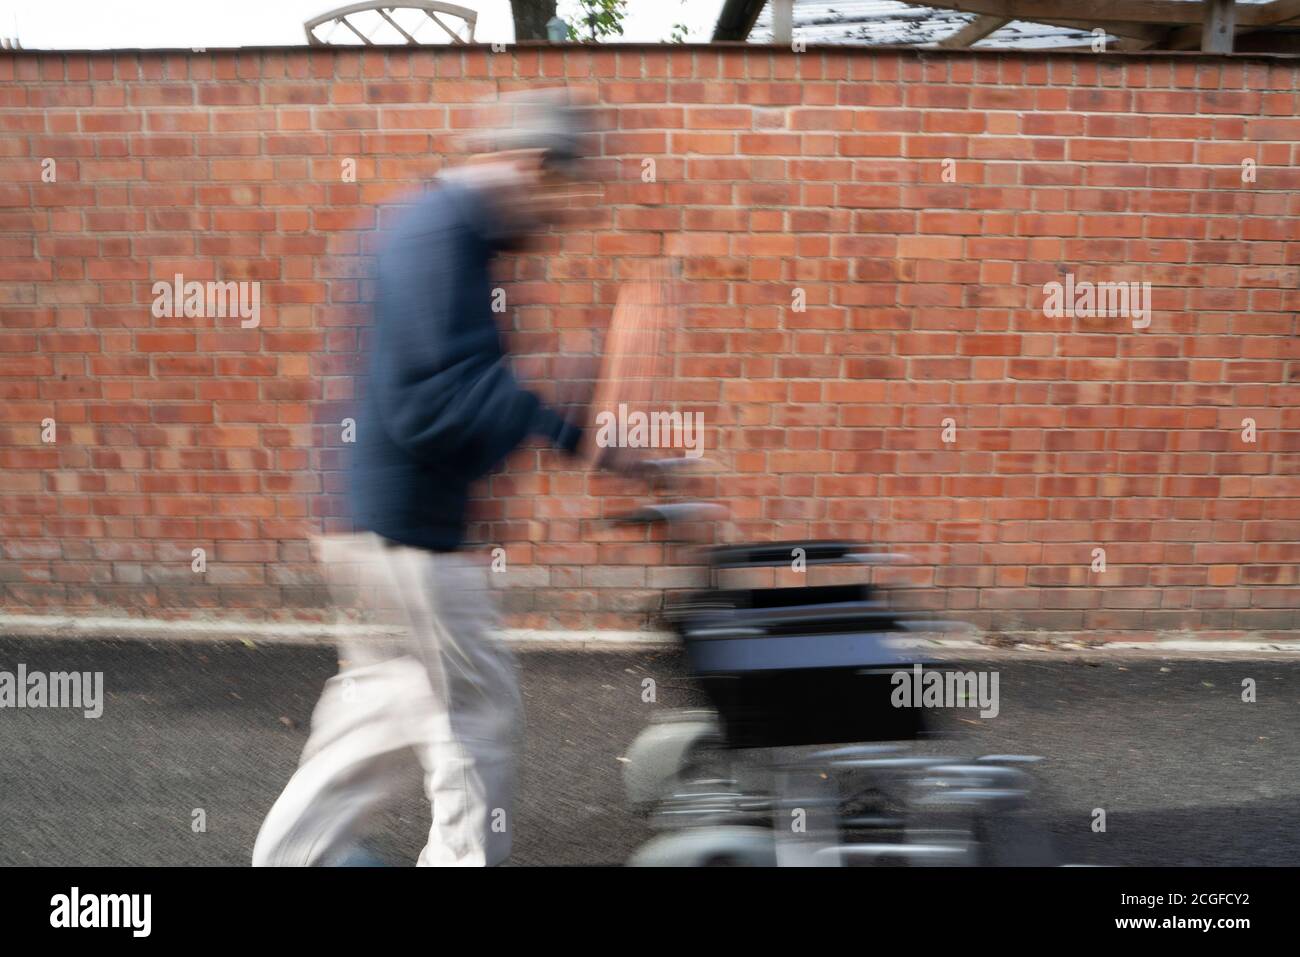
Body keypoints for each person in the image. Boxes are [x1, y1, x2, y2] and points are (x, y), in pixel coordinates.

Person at [253, 89, 593, 867]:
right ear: (533, 165)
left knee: (381, 707)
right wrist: (560, 385)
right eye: (563, 195)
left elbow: (470, 389)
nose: (561, 219)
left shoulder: (434, 229)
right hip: (411, 539)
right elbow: (434, 407)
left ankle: (293, 857)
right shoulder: (440, 237)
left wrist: (575, 429)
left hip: (370, 524)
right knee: (474, 716)